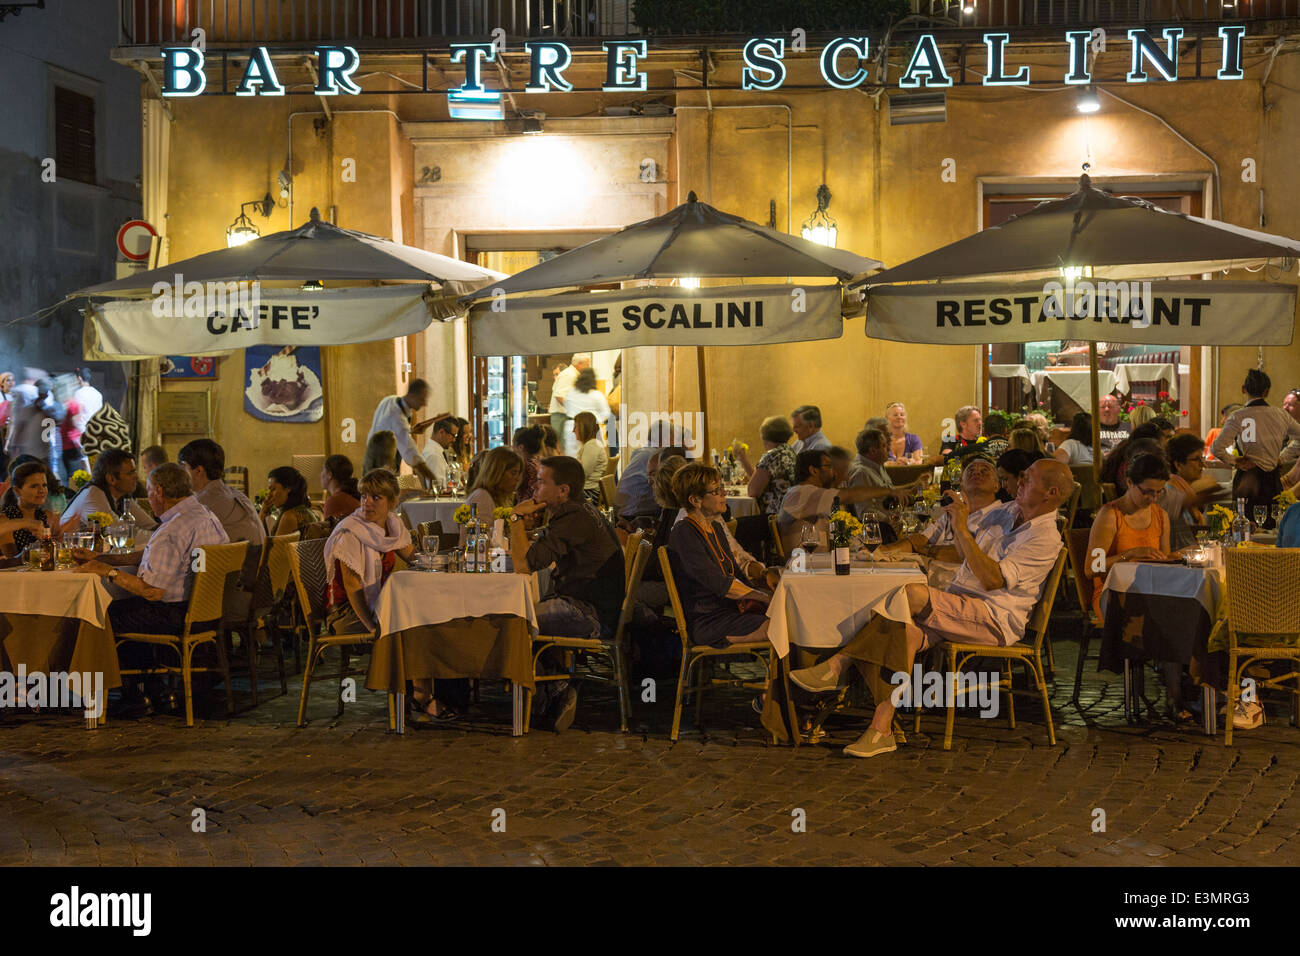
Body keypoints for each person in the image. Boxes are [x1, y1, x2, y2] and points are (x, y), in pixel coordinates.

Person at [790, 459, 1073, 758]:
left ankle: (836, 666)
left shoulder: (1044, 537)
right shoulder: (1007, 512)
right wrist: (955, 525)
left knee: (909, 595)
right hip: (959, 603)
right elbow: (962, 551)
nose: (1018, 482)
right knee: (904, 634)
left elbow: (992, 580)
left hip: (993, 617)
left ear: (1050, 493)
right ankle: (880, 730)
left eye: (1027, 479)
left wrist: (962, 528)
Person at [72, 462, 230, 714]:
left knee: (98, 614)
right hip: (205, 612)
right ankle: (156, 689)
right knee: (124, 609)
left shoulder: (172, 530)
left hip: (173, 614)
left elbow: (153, 592)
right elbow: (148, 554)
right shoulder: (205, 516)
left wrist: (107, 573)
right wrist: (102, 559)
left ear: (158, 491)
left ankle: (135, 694)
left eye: (148, 492)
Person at [508, 455, 625, 731]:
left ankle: (557, 691)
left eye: (540, 481)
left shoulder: (574, 516)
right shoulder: (578, 511)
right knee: (529, 613)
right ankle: (555, 690)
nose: (534, 487)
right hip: (593, 604)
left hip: (590, 613)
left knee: (520, 619)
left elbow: (523, 564)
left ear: (563, 491)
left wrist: (514, 517)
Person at [666, 461, 772, 650]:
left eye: (722, 488)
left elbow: (736, 574)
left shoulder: (714, 527)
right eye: (716, 491)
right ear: (695, 500)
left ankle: (785, 678)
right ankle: (786, 679)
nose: (724, 494)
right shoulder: (685, 533)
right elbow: (719, 583)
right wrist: (764, 598)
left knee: (788, 615)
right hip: (708, 621)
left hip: (729, 611)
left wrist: (767, 595)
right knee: (781, 626)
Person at [322, 467, 414, 639]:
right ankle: (388, 666)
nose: (367, 502)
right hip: (346, 612)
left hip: (378, 603)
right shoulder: (351, 532)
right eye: (364, 496)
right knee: (405, 622)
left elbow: (414, 558)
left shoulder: (391, 526)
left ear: (392, 502)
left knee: (418, 612)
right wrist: (372, 627)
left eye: (376, 497)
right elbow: (353, 588)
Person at [777, 448, 916, 554]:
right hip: (806, 567)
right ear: (813, 470)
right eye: (829, 467)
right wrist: (889, 491)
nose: (835, 473)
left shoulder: (816, 498)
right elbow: (849, 496)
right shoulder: (801, 493)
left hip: (823, 564)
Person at [1087, 454, 1172, 620]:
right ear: (1129, 482)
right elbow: (1092, 568)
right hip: (1113, 591)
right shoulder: (1110, 516)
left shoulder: (1161, 516)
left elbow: (1166, 562)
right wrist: (1131, 554)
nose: (1153, 499)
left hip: (1150, 589)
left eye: (1158, 492)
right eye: (1146, 492)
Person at [1211, 369, 1300, 527]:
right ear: (1266, 392)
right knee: (1273, 526)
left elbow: (1216, 448)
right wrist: (1282, 457)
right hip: (1272, 479)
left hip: (1247, 478)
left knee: (1244, 527)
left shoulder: (1238, 416)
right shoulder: (1281, 415)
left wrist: (1236, 461)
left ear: (1243, 388)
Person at [884, 454, 1003, 565]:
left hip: (959, 583)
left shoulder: (1001, 516)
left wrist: (927, 549)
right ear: (961, 483)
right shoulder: (952, 512)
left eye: (984, 471)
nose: (976, 474)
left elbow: (967, 554)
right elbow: (920, 539)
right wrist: (883, 551)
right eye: (971, 471)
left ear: (997, 485)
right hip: (928, 574)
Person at [177, 439, 265, 547]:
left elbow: (179, 543)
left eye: (183, 467)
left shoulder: (200, 506)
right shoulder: (237, 494)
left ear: (199, 471)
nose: (180, 473)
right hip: (259, 560)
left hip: (234, 562)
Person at [59, 449, 157, 535]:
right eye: (130, 473)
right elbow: (122, 533)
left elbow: (150, 526)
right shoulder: (93, 495)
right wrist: (163, 537)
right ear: (111, 479)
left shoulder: (122, 497)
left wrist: (166, 533)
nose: (136, 476)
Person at [366, 379, 439, 486]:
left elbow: (393, 430)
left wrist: (411, 430)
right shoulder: (397, 417)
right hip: (381, 472)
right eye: (422, 399)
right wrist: (433, 479)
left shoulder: (389, 400)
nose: (425, 403)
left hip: (372, 462)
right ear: (412, 395)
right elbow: (412, 455)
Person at [844, 428, 927, 519]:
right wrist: (892, 521)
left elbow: (888, 490)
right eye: (884, 446)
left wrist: (914, 486)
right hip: (883, 528)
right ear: (873, 451)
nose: (888, 449)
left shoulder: (876, 464)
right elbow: (865, 514)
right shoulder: (861, 473)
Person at [1160, 433, 1224, 551]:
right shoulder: (1168, 491)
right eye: (1196, 459)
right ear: (1178, 464)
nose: (1202, 464)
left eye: (1202, 458)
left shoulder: (1186, 489)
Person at [460, 446, 523, 548]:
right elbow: (480, 541)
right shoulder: (482, 497)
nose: (517, 478)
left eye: (518, 473)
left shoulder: (496, 496)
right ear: (497, 472)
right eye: (513, 473)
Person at [734, 415, 796, 515]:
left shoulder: (771, 456)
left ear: (764, 436)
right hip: (790, 513)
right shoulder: (790, 452)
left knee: (737, 523)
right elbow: (759, 480)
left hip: (773, 518)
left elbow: (752, 491)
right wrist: (743, 460)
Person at [0, 461, 56, 556]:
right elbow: (11, 561)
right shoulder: (6, 519)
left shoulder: (46, 516)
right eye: (34, 486)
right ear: (17, 490)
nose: (41, 490)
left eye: (44, 485)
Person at [563, 367, 611, 457]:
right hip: (590, 429)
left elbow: (566, 408)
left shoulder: (570, 393)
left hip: (572, 427)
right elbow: (606, 413)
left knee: (572, 457)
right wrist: (595, 419)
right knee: (592, 456)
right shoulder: (596, 394)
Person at [260, 466, 315, 537]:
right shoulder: (304, 510)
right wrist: (263, 515)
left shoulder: (289, 517)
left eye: (273, 489)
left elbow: (271, 547)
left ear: (288, 488)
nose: (269, 495)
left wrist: (261, 515)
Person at [549, 353, 590, 440]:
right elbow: (559, 396)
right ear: (579, 363)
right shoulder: (569, 375)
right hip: (561, 416)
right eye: (587, 364)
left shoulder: (574, 374)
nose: (588, 367)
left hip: (565, 416)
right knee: (561, 445)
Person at [572, 410, 608, 501]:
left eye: (575, 426)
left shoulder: (592, 445)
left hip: (590, 493)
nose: (573, 431)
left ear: (584, 428)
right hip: (590, 491)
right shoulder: (592, 444)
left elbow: (582, 475)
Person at [419, 417, 460, 488]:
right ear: (441, 432)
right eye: (453, 436)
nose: (454, 440)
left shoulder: (436, 451)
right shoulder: (434, 455)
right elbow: (438, 488)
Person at [321, 455, 362, 521]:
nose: (320, 474)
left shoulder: (335, 501)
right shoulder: (349, 494)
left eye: (323, 470)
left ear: (329, 474)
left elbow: (330, 531)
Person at [512, 425, 543, 503]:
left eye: (513, 445)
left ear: (521, 447)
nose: (512, 448)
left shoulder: (524, 465)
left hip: (526, 507)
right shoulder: (538, 462)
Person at [72, 368, 103, 433]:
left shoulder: (78, 393)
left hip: (83, 432)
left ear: (79, 378)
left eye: (75, 378)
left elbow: (77, 415)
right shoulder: (98, 394)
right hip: (96, 430)